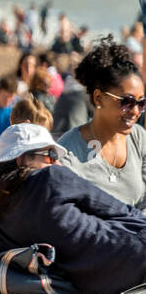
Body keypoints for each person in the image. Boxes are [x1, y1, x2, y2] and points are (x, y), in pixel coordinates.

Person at [0, 123, 146, 294]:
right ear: (22, 159)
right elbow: (122, 211)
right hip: (133, 258)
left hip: (91, 285)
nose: (57, 162)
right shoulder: (51, 177)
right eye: (50, 154)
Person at [55, 38, 146, 208]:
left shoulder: (139, 138)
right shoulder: (67, 153)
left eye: (141, 103)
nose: (136, 111)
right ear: (98, 98)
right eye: (127, 101)